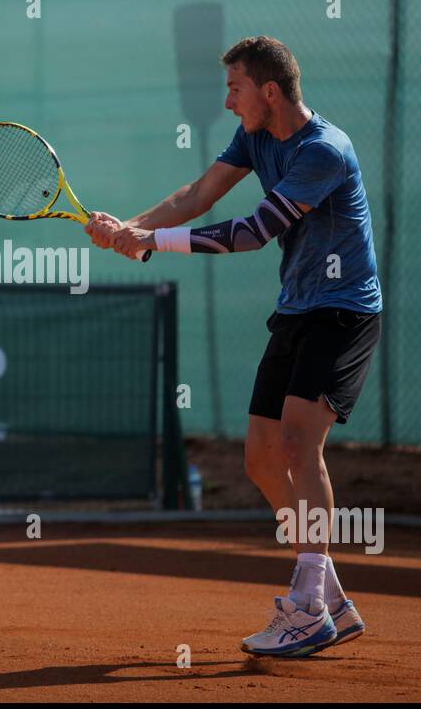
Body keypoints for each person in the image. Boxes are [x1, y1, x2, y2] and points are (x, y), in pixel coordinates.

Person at [85, 36, 382, 657]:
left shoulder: (324, 151)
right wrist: (131, 230)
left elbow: (252, 233)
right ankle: (326, 591)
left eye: (235, 89)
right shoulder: (254, 137)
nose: (228, 101)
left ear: (269, 92)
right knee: (260, 458)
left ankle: (305, 605)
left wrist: (152, 244)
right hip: (297, 308)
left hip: (344, 309)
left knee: (300, 441)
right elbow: (196, 197)